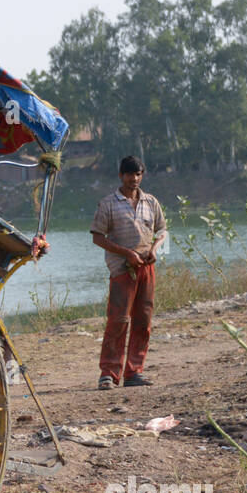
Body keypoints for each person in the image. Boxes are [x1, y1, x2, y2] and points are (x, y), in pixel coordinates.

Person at [89, 156, 167, 390]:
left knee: (143, 321)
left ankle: (134, 372)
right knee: (118, 321)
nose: (134, 179)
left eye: (138, 174)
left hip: (146, 268)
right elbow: (97, 237)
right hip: (122, 270)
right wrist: (126, 254)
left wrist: (154, 249)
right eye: (130, 174)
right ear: (121, 176)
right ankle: (109, 374)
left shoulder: (151, 202)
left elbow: (162, 230)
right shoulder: (108, 204)